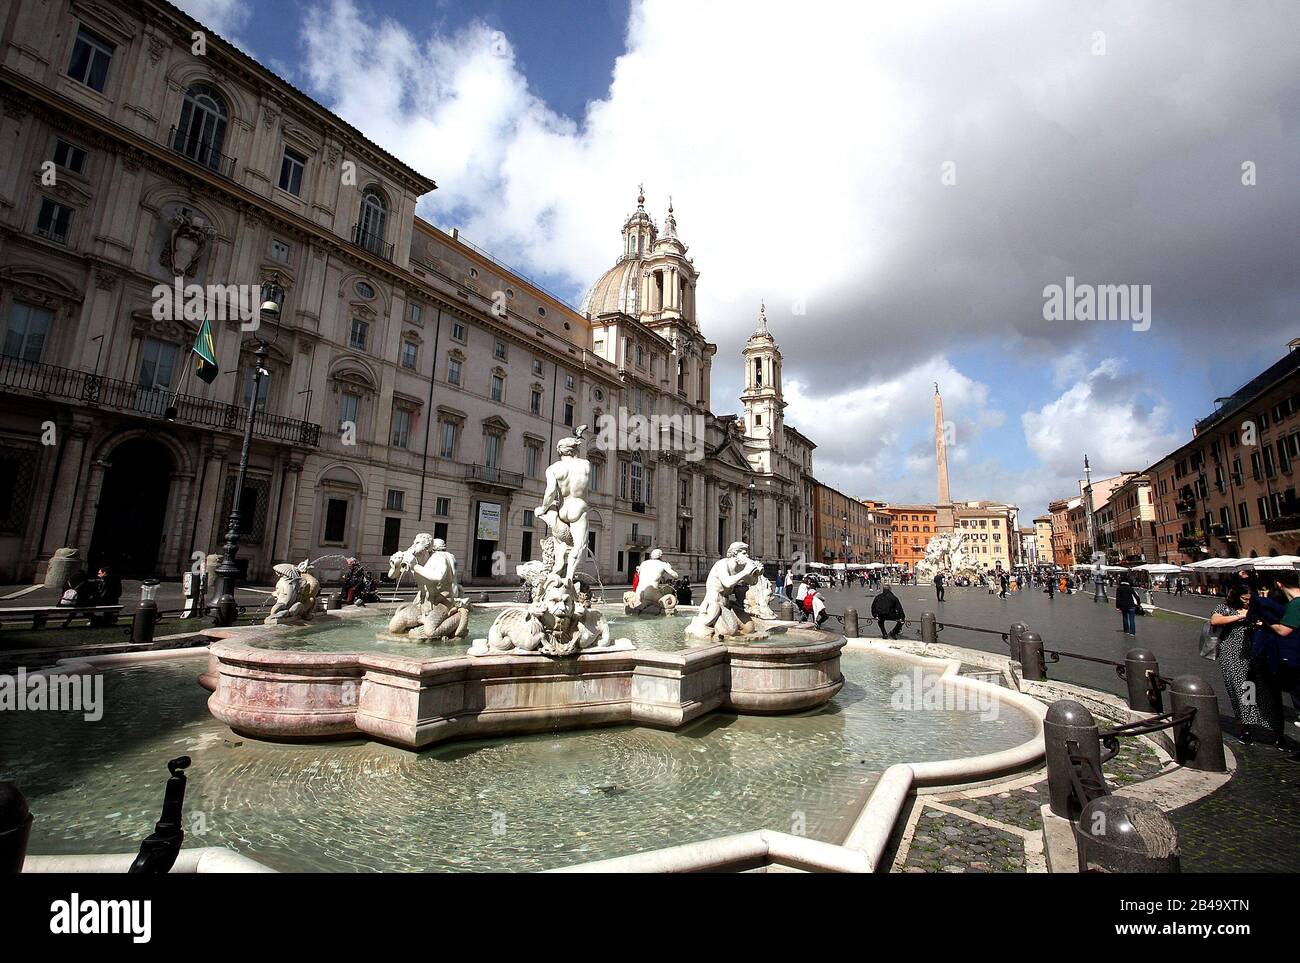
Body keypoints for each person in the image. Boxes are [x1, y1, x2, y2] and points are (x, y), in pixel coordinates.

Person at [1210, 583, 1275, 745]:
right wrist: (1240, 616)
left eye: (1249, 599)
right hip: (1232, 655)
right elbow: (1215, 620)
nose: (1247, 601)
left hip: (1252, 654)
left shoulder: (1254, 608)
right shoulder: (1225, 607)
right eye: (1244, 598)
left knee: (1253, 689)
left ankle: (1255, 723)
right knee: (1239, 690)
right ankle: (1245, 727)